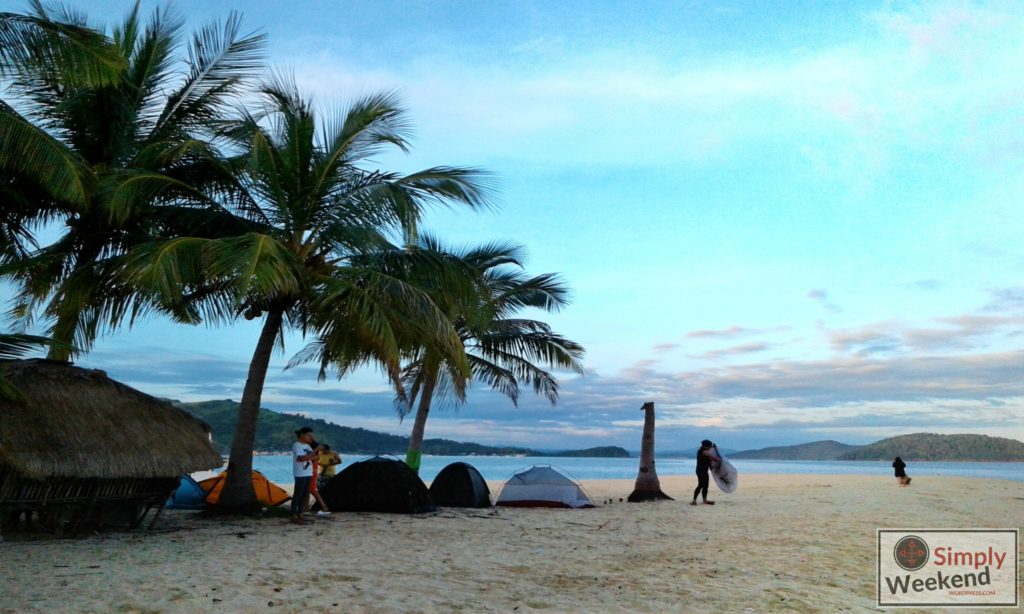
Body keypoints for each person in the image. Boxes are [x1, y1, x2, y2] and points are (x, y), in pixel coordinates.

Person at [291, 427, 321, 525]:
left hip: (308, 472)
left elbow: (315, 457)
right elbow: (302, 458)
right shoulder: (297, 445)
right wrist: (314, 452)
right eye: (309, 435)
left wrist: (312, 455)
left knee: (304, 495)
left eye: (311, 436)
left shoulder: (307, 446)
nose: (310, 438)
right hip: (300, 473)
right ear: (302, 435)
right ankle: (293, 516)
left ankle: (300, 515)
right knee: (298, 495)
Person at [692, 439, 720, 505]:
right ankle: (694, 501)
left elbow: (710, 459)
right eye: (709, 447)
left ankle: (705, 500)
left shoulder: (706, 451)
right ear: (705, 446)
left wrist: (715, 448)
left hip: (704, 471)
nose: (710, 448)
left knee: (706, 485)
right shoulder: (702, 451)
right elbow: (712, 457)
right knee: (701, 485)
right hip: (700, 471)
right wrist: (718, 459)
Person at [307, 440, 331, 517]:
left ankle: (323, 506)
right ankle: (306, 508)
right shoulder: (316, 456)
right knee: (310, 490)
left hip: (312, 474)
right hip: (313, 473)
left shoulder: (314, 456)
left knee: (312, 490)